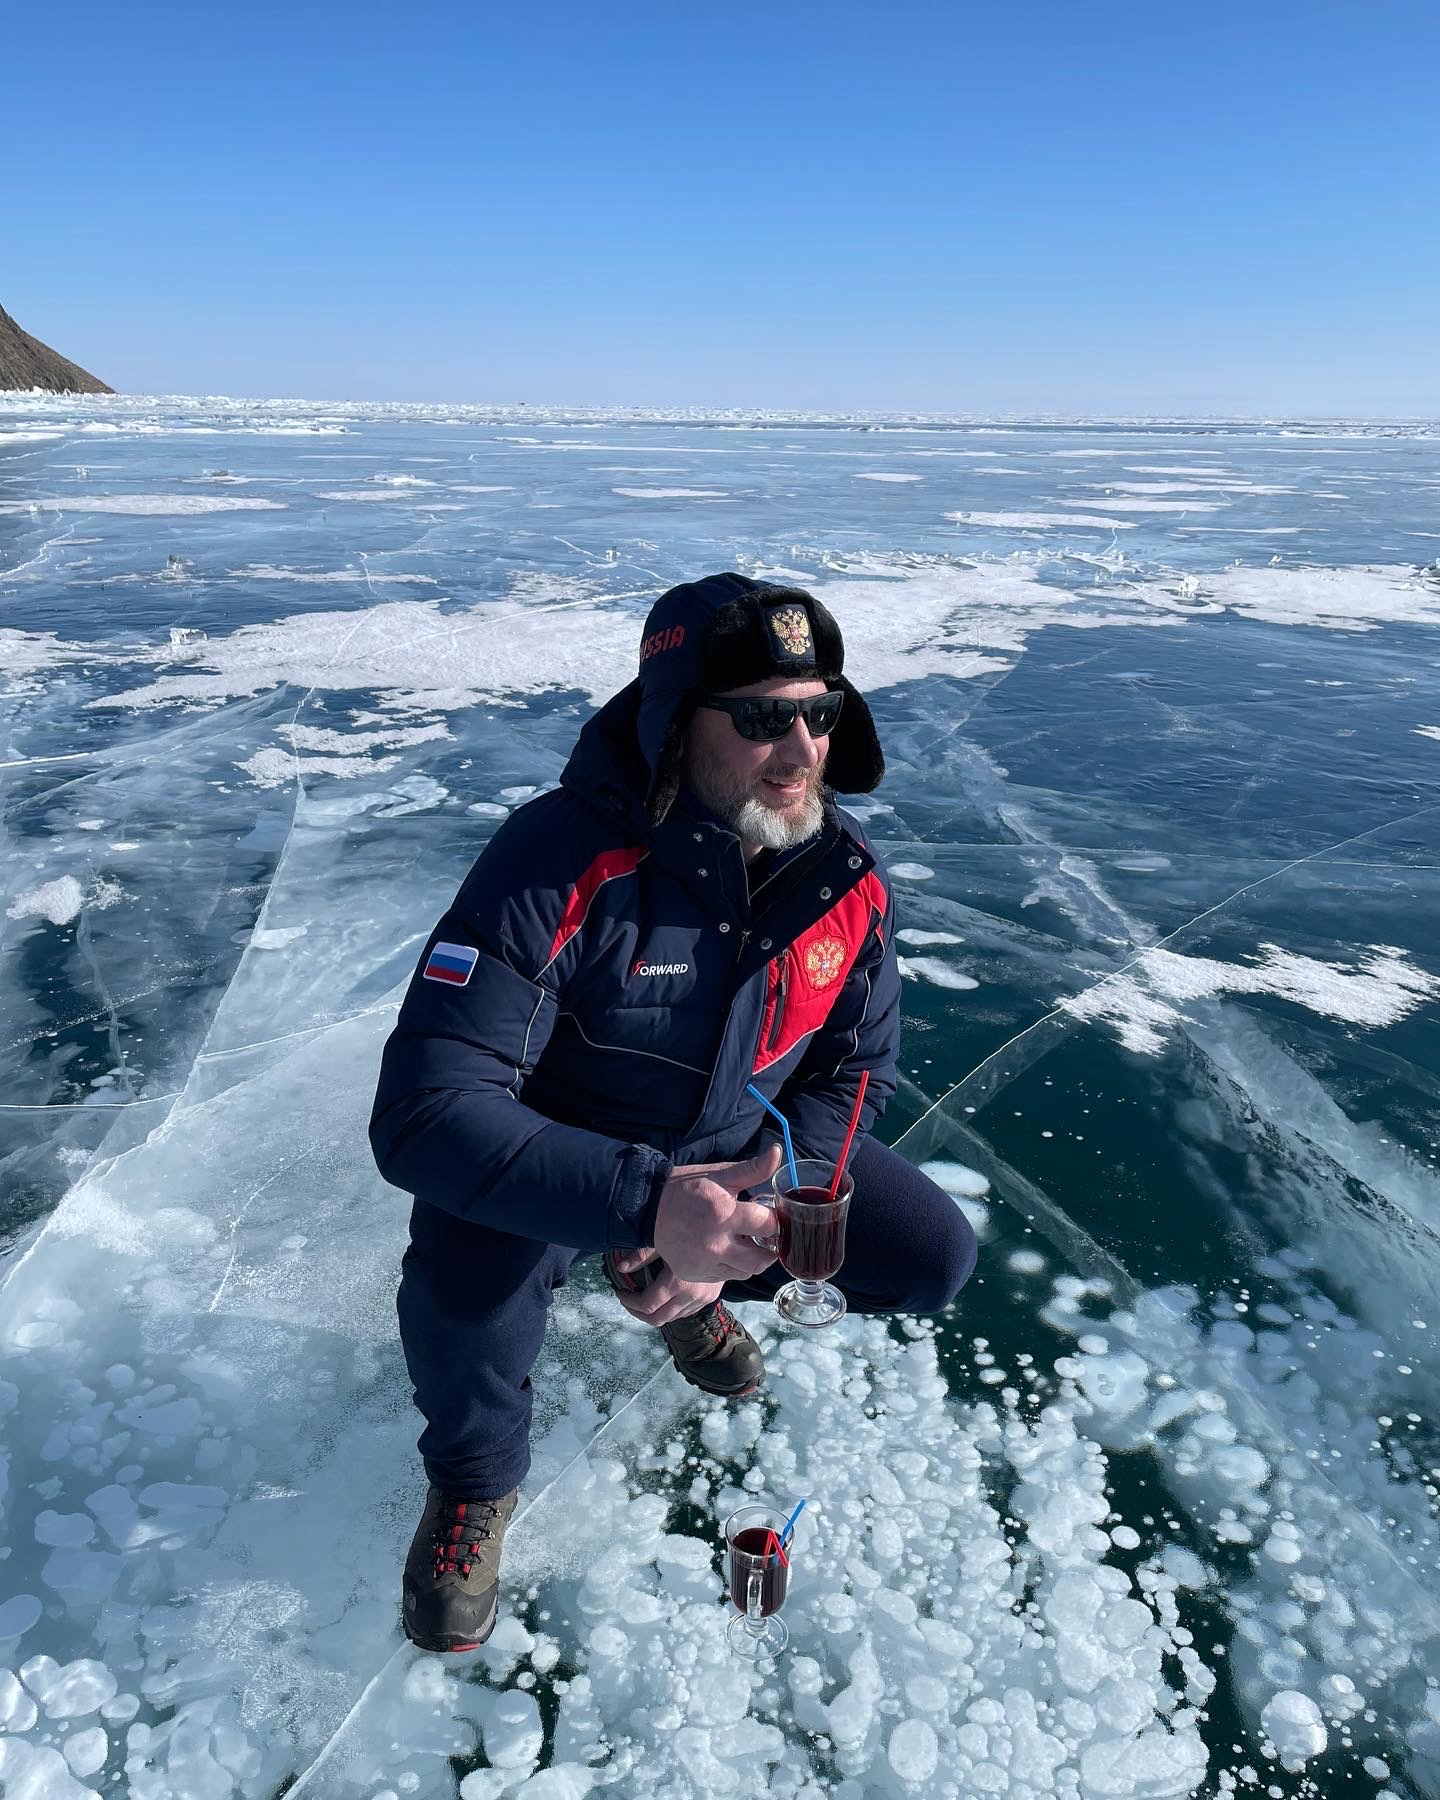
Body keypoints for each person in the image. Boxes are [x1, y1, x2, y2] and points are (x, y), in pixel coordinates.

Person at [369, 572, 977, 1652]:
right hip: (557, 1163)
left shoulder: (845, 879)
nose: (799, 749)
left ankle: (689, 1289)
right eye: (759, 718)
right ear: (672, 722)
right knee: (465, 1313)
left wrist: (760, 1203)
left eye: (821, 713)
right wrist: (648, 1205)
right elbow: (426, 1109)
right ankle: (473, 1485)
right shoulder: (557, 861)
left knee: (929, 1258)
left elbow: (857, 1070)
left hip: (734, 1157)